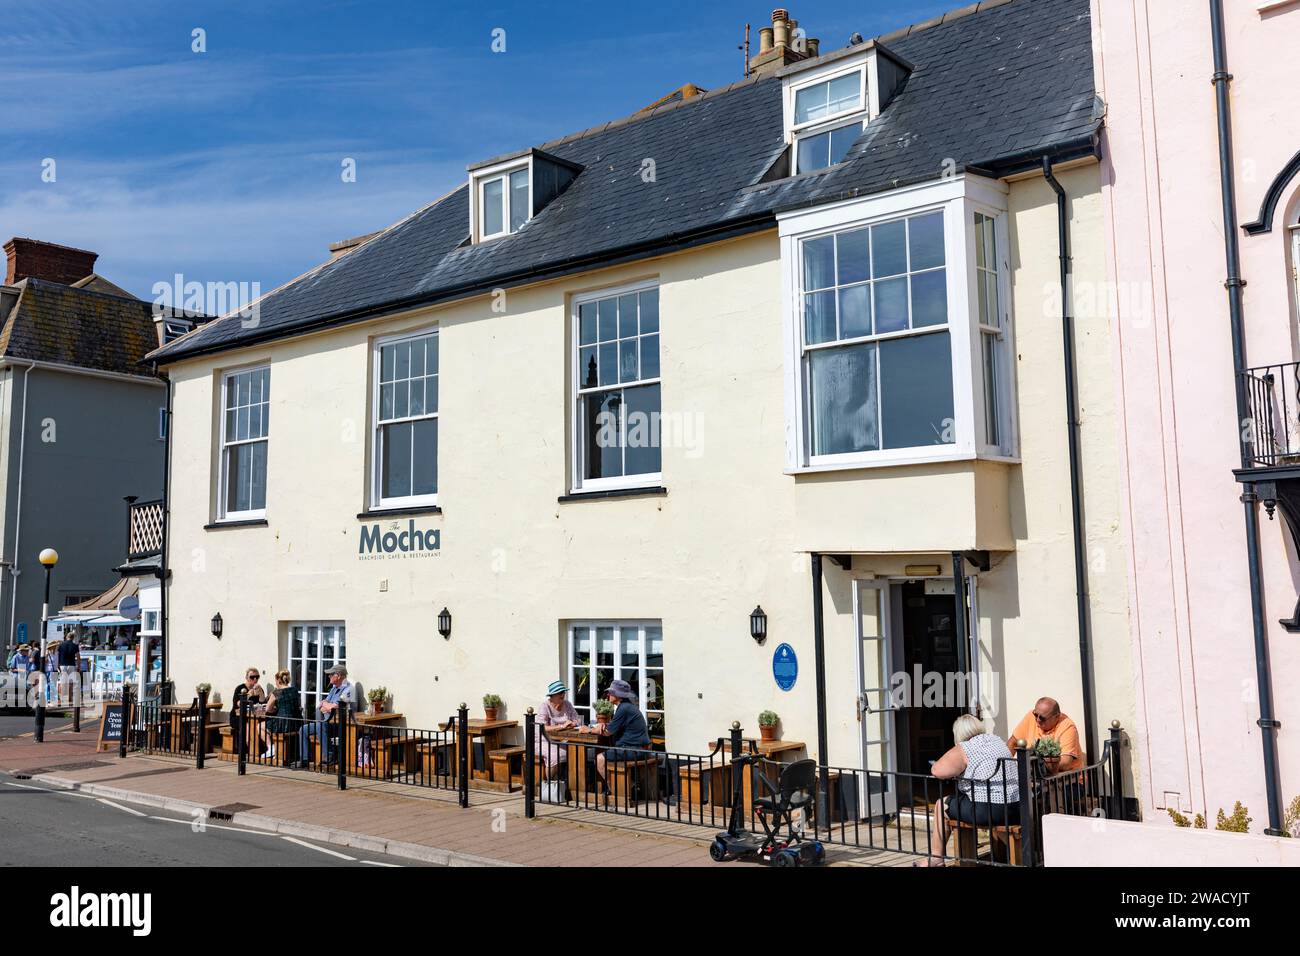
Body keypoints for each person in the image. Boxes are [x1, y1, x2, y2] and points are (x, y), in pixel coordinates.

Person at [919, 714, 1020, 866]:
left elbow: (937, 770)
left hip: (989, 810)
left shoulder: (966, 747)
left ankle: (936, 859)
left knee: (942, 805)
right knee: (964, 802)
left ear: (958, 734)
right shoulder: (996, 740)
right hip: (1016, 806)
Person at [581, 679, 650, 786]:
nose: (608, 694)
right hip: (637, 748)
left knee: (599, 759)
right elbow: (614, 726)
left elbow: (607, 732)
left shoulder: (624, 709)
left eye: (611, 692)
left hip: (635, 749)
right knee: (605, 756)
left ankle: (615, 788)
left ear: (618, 695)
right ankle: (627, 786)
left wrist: (588, 730)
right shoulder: (626, 706)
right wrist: (604, 726)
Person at [293, 665, 353, 768]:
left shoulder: (348, 690)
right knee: (303, 729)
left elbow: (335, 707)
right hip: (328, 722)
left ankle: (329, 756)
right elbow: (322, 704)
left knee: (321, 725)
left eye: (330, 675)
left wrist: (328, 706)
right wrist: (327, 705)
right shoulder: (334, 689)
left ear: (338, 676)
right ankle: (305, 759)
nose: (329, 677)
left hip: (340, 724)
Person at [1008, 697, 1085, 774]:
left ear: (1056, 717)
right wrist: (1006, 768)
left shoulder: (1067, 726)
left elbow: (1065, 763)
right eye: (1035, 714)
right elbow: (1013, 743)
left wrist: (1038, 764)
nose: (1037, 720)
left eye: (1042, 718)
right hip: (1036, 778)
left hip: (1069, 781)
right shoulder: (1031, 717)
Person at [535, 680, 583, 779]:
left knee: (577, 752)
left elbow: (577, 719)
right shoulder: (545, 706)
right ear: (552, 696)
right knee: (555, 755)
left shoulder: (567, 704)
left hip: (562, 740)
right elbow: (542, 727)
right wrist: (562, 726)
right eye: (559, 693)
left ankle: (568, 782)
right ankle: (550, 784)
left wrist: (573, 723)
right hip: (543, 741)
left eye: (563, 692)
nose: (562, 695)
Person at [258, 669, 303, 761]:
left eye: (276, 681)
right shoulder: (294, 690)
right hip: (297, 722)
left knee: (260, 726)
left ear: (278, 680)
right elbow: (297, 706)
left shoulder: (276, 692)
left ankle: (271, 748)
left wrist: (275, 709)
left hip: (283, 723)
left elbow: (268, 709)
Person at [229, 668, 267, 755]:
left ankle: (257, 750)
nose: (255, 679)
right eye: (252, 677)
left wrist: (260, 693)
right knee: (249, 726)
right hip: (237, 717)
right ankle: (249, 751)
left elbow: (262, 702)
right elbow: (237, 704)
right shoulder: (240, 688)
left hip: (253, 716)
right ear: (246, 677)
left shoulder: (258, 688)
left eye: (257, 677)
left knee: (257, 725)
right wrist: (248, 695)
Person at [55, 632, 80, 706]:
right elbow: (78, 657)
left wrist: (57, 665)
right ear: (73, 638)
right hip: (71, 665)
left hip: (62, 665)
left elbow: (57, 655)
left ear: (66, 637)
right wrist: (79, 666)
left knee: (63, 682)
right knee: (71, 683)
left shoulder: (61, 645)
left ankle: (63, 698)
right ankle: (70, 699)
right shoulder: (75, 646)